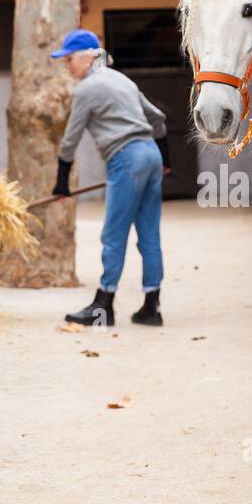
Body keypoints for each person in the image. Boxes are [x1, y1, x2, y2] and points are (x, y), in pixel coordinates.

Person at [51, 29, 172, 327]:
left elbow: (70, 139)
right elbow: (157, 118)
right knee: (149, 235)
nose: (66, 67)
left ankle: (103, 306)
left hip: (126, 159)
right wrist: (165, 160)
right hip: (150, 154)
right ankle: (151, 308)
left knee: (113, 234)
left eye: (69, 60)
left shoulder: (86, 89)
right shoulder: (122, 80)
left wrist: (62, 182)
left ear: (88, 57)